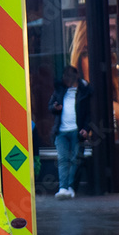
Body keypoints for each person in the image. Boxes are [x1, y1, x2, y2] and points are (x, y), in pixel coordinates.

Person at [48, 65, 92, 198]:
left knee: (75, 160)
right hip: (61, 130)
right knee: (63, 159)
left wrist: (86, 129)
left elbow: (89, 113)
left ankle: (71, 187)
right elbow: (50, 106)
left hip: (76, 131)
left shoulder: (83, 91)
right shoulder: (60, 91)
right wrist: (56, 108)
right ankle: (63, 188)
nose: (67, 81)